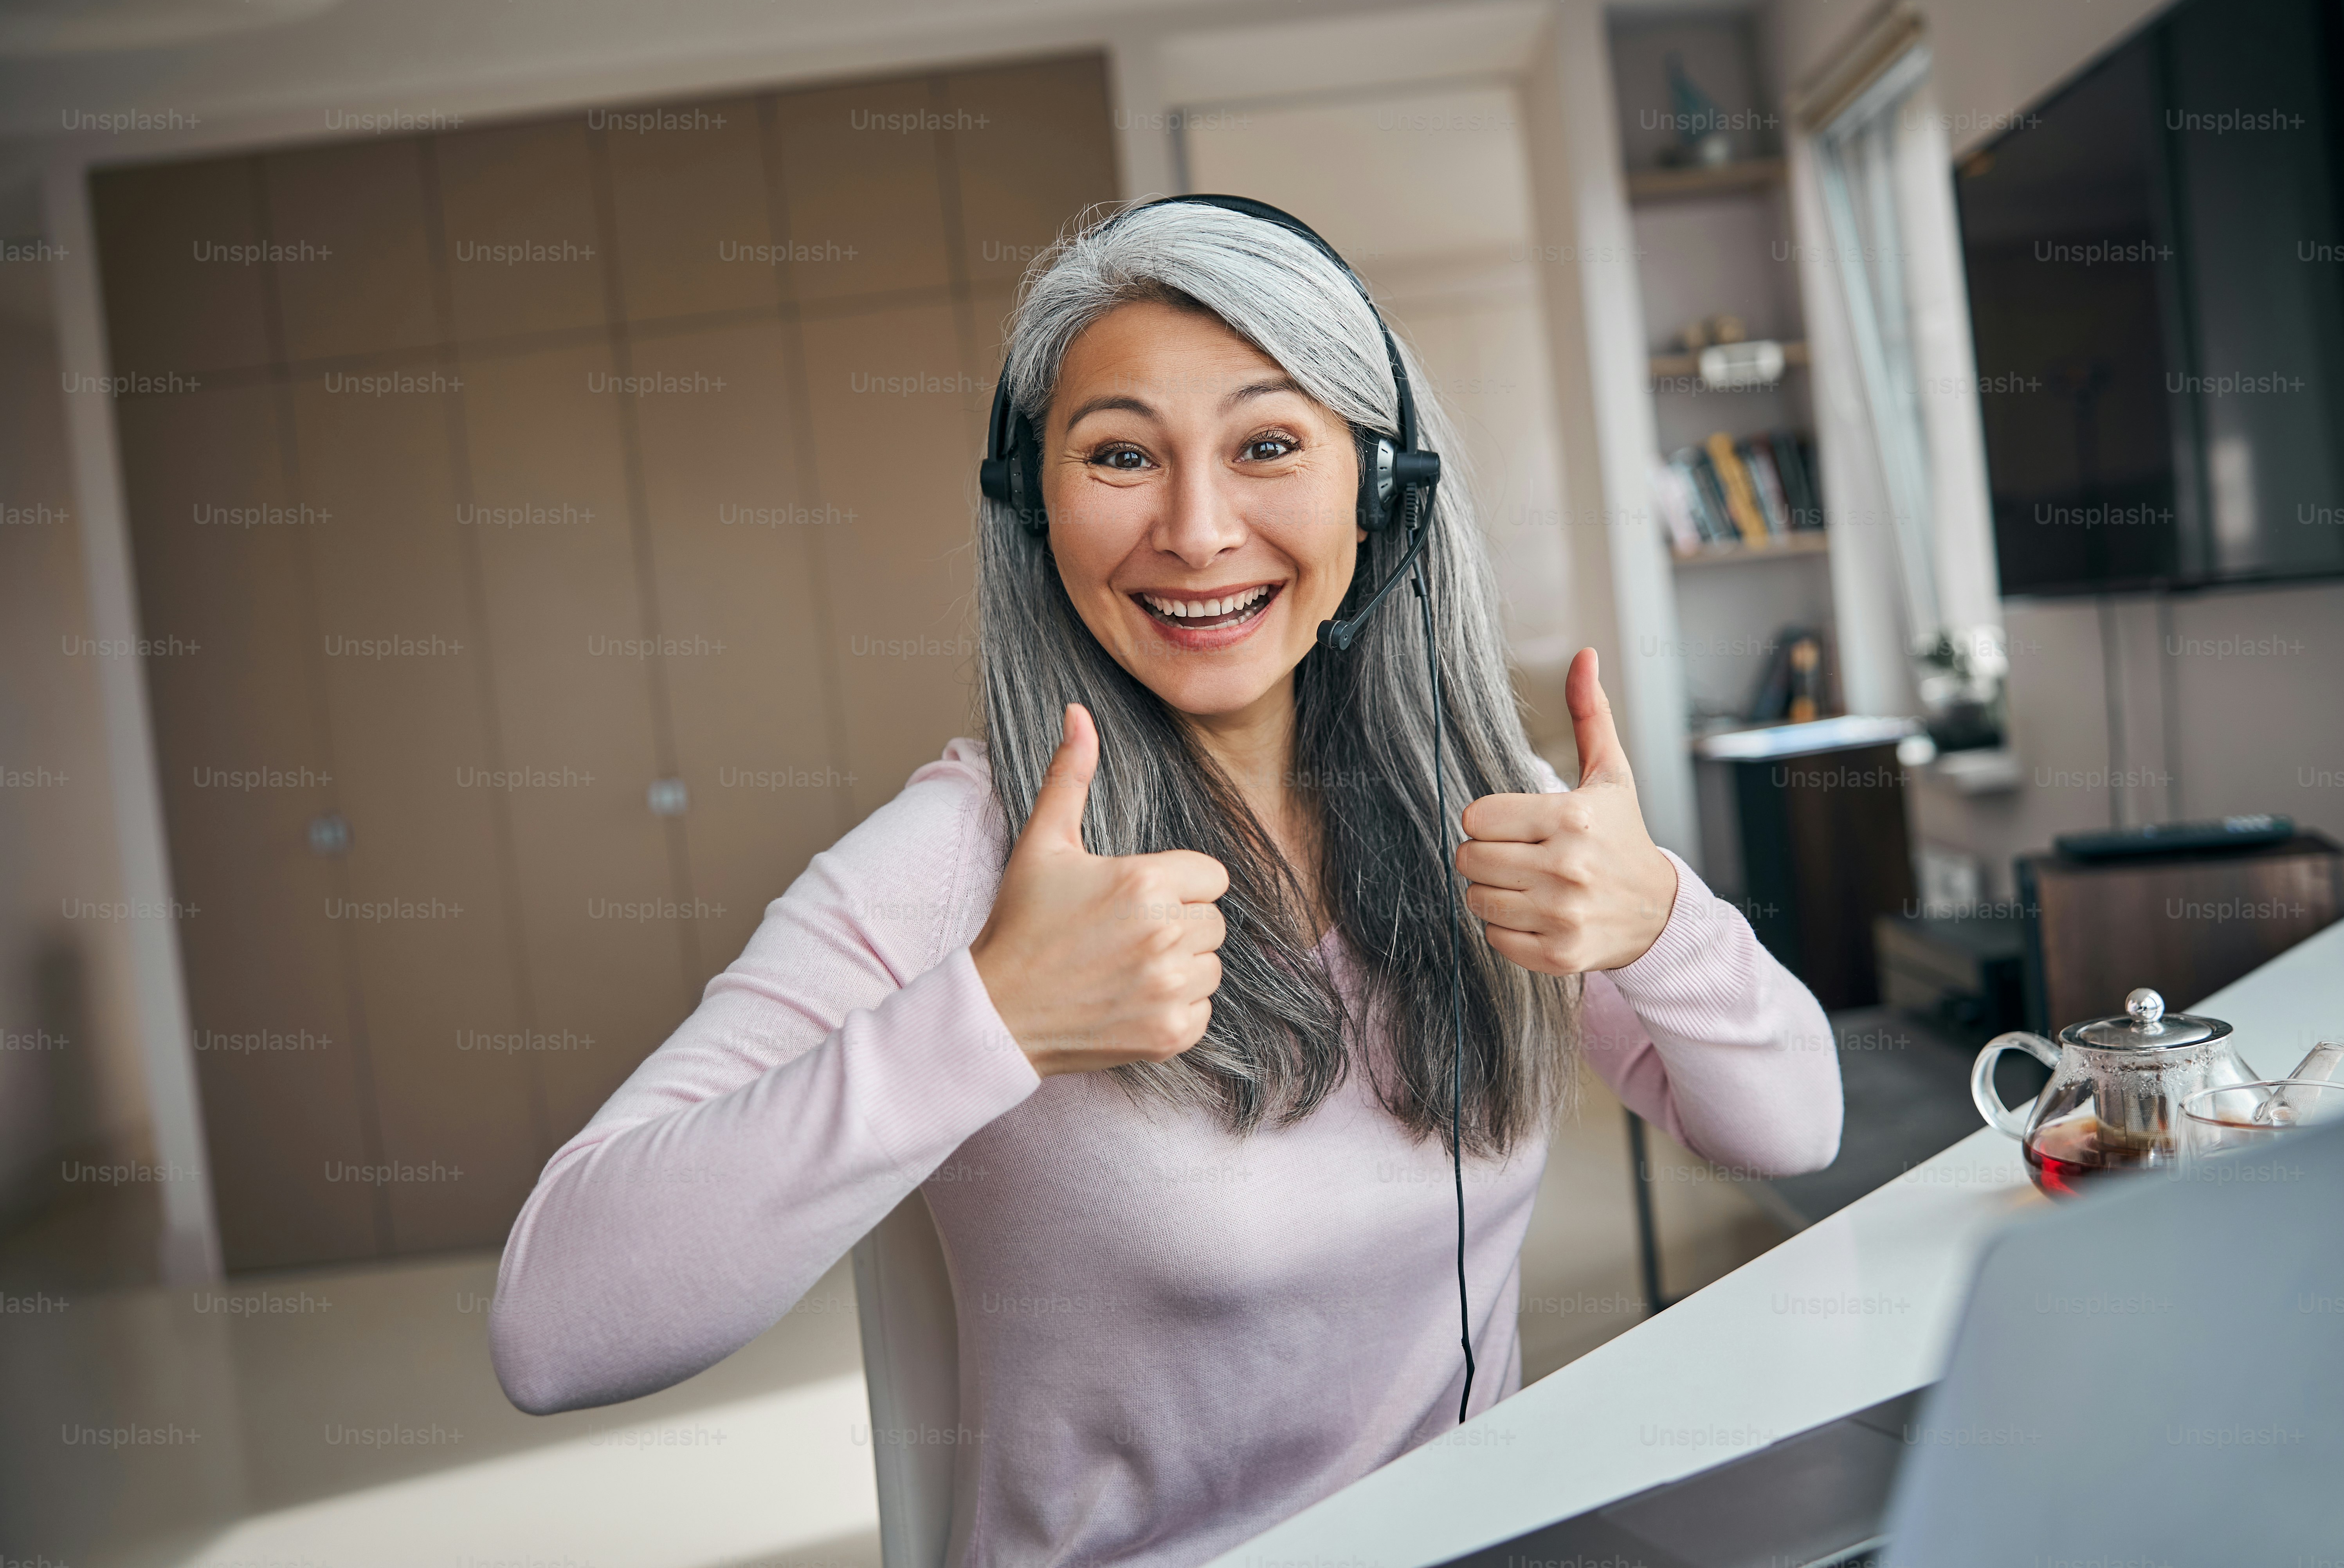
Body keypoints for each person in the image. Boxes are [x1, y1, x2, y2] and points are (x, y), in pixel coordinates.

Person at [488, 199, 1843, 1566]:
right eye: (1122, 455)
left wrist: (1665, 921)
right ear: (1034, 502)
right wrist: (987, 1020)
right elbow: (552, 1328)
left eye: (1267, 446)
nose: (1197, 533)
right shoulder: (966, 858)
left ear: (1383, 493)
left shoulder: (1479, 814)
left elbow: (1794, 1128)